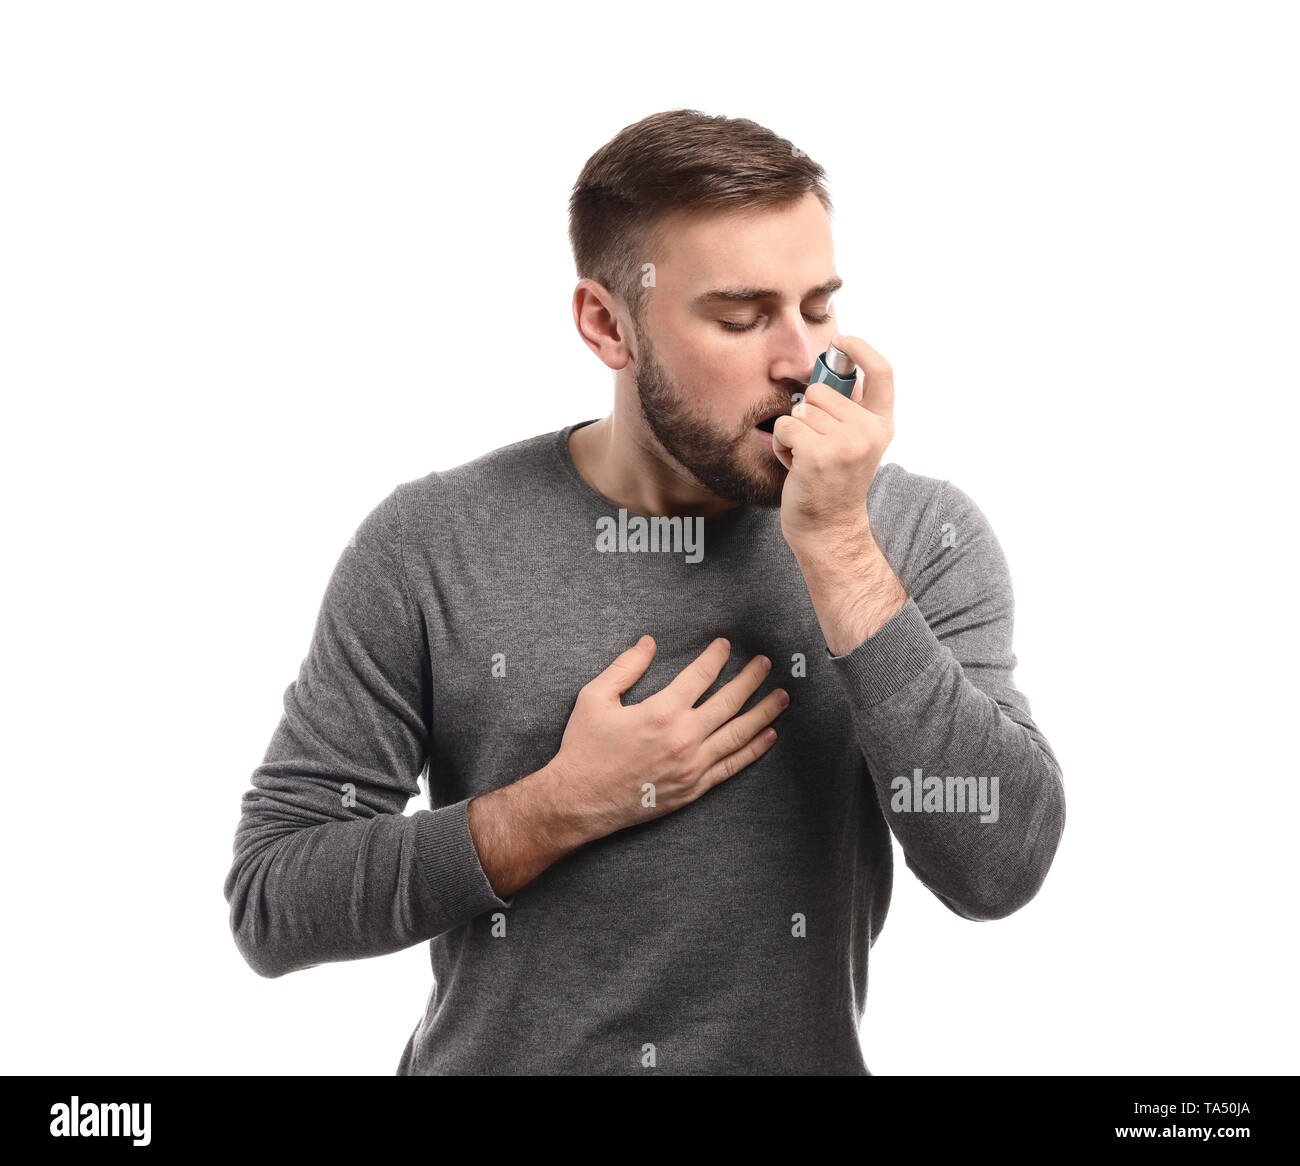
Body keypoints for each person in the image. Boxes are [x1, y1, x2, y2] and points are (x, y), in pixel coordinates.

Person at [224, 108, 1066, 1075]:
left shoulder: (914, 536)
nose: (798, 360)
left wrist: (838, 550)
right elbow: (273, 900)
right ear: (606, 324)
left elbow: (999, 869)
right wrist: (552, 809)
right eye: (741, 317)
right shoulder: (432, 543)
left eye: (819, 306)